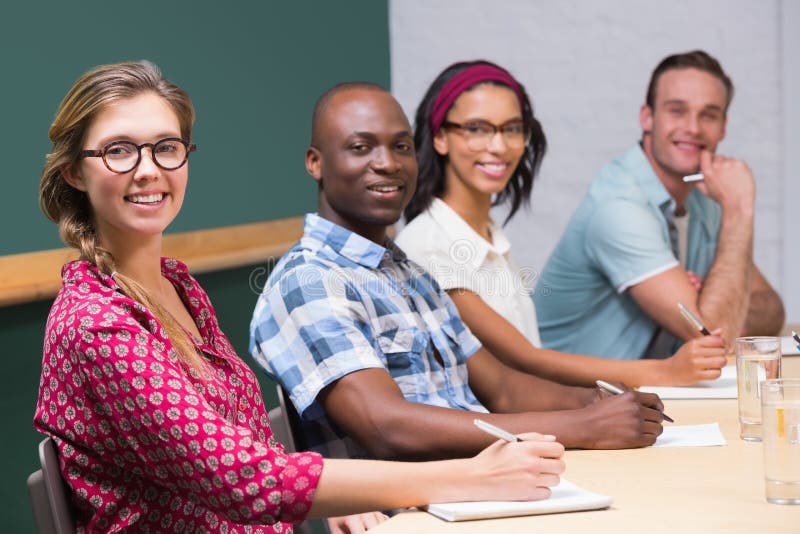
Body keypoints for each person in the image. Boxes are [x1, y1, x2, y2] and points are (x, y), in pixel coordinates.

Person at [33, 61, 568, 534]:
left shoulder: (178, 288)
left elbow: (238, 443)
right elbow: (241, 480)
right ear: (75, 172)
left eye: (166, 148)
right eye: (119, 151)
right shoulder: (95, 322)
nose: (148, 169)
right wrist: (468, 477)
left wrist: (332, 495)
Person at [250, 81, 666, 464]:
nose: (388, 163)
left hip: (492, 485)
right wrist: (584, 427)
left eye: (401, 147)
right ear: (315, 163)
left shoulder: (408, 274)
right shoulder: (308, 282)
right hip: (417, 511)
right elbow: (387, 427)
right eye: (361, 147)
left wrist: (602, 401)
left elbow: (501, 386)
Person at [396, 60, 727, 387]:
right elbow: (524, 359)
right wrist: (666, 372)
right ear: (440, 137)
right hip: (489, 437)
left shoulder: (488, 237)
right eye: (477, 129)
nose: (499, 146)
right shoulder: (428, 245)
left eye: (512, 129)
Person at [533, 50, 785, 359]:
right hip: (570, 400)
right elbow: (711, 332)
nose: (693, 127)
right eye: (677, 110)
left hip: (647, 394)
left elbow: (770, 308)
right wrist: (740, 209)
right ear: (647, 117)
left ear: (723, 127)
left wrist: (713, 303)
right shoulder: (619, 208)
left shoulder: (704, 201)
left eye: (708, 114)